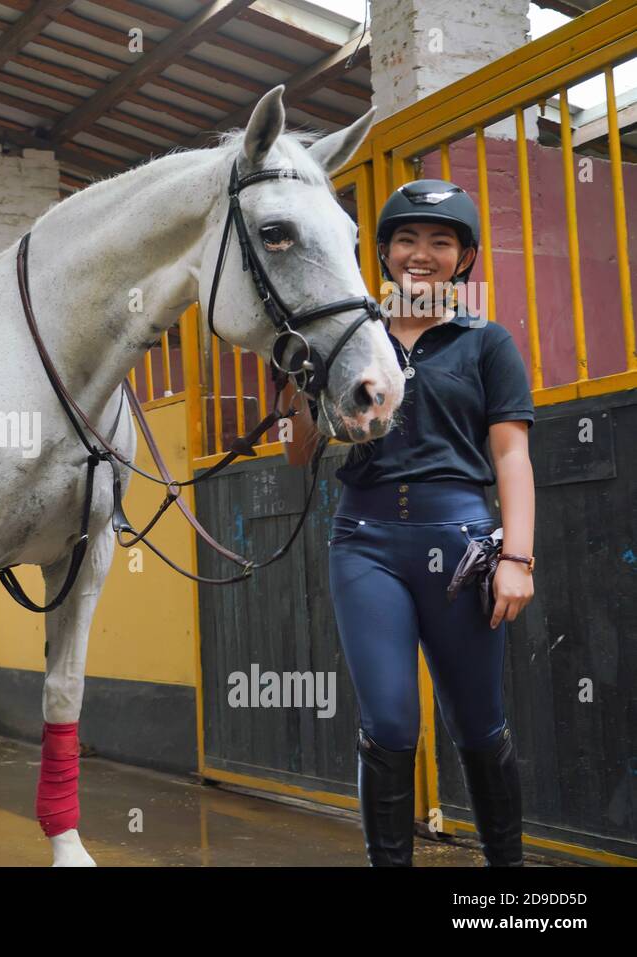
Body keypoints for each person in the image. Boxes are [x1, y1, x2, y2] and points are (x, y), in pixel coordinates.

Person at [283, 180, 536, 866]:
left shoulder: (487, 342)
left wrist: (518, 556)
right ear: (386, 252)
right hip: (364, 542)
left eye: (440, 241)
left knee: (478, 725)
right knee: (389, 722)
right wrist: (291, 384)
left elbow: (511, 453)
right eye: (406, 239)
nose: (421, 253)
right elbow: (298, 449)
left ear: (463, 258)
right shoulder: (349, 339)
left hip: (460, 546)